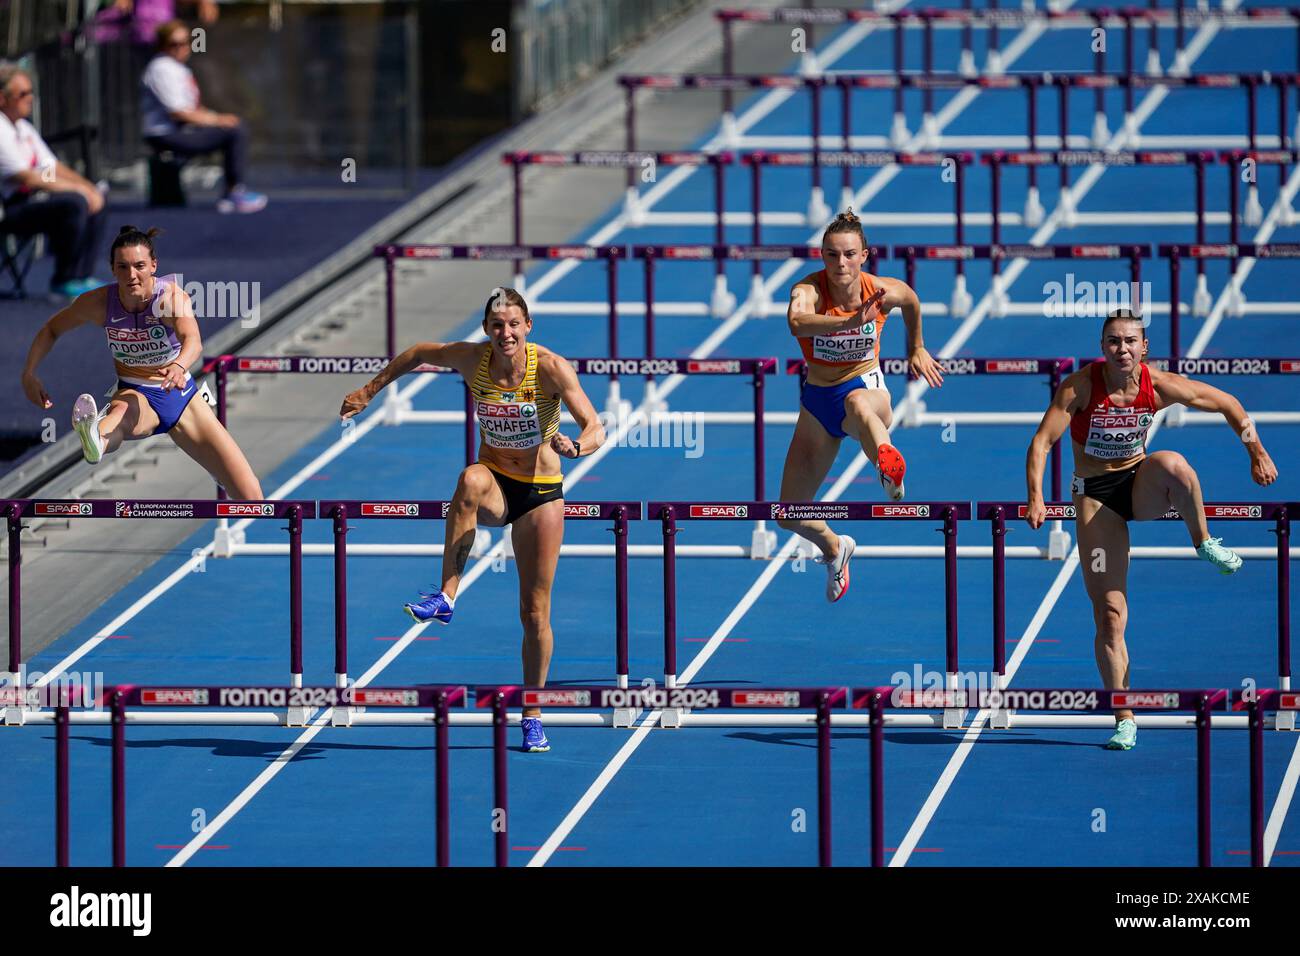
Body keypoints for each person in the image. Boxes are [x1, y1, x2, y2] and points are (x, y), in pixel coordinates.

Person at [340, 288, 606, 754]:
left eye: (514, 324)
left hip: (541, 493)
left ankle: (533, 713)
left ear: (528, 328)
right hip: (495, 480)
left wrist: (578, 446)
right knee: (468, 479)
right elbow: (418, 352)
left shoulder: (550, 367)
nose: (505, 332)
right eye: (497, 325)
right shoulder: (472, 359)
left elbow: (595, 424)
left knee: (534, 612)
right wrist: (369, 390)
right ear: (487, 329)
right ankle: (446, 595)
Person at [1026, 309, 1278, 751]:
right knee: (1109, 616)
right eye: (1112, 342)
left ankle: (1203, 542)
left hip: (1139, 483)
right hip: (1095, 498)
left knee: (1176, 465)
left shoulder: (1158, 385)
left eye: (1129, 342)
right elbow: (1042, 442)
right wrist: (1036, 498)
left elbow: (1227, 404)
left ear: (1144, 348)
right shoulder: (1080, 387)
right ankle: (1124, 716)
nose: (1121, 349)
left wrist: (1255, 450)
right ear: (1101, 348)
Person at [20, 225, 264, 500]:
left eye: (139, 266)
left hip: (181, 396)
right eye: (123, 267)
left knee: (251, 496)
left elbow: (193, 339)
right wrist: (29, 373)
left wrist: (180, 365)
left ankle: (98, 435)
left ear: (153, 266)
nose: (132, 275)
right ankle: (95, 438)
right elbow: (52, 329)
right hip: (135, 390)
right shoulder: (98, 303)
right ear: (112, 269)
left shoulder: (170, 298)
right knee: (122, 414)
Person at [776, 209, 945, 602]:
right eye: (832, 255)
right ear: (821, 255)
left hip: (866, 386)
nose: (841, 263)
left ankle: (888, 468)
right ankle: (836, 547)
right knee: (787, 513)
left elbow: (912, 299)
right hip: (817, 403)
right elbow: (797, 323)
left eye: (849, 254)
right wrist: (850, 322)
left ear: (864, 255)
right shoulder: (808, 290)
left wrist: (916, 346)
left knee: (857, 404)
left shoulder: (883, 292)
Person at [0, 62, 108, 297]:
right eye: (23, 94)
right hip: (11, 206)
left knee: (96, 194)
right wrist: (78, 191)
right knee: (75, 202)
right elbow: (27, 177)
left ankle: (82, 274)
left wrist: (87, 186)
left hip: (34, 196)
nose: (30, 98)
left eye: (31, 92)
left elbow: (50, 167)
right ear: (2, 98)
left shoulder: (23, 128)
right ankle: (64, 278)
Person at [140, 20, 266, 214]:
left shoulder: (179, 68)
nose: (182, 48)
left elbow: (193, 108)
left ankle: (232, 192)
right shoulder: (161, 68)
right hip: (165, 134)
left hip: (180, 129)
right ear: (163, 45)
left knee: (234, 125)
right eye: (175, 44)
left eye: (186, 42)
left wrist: (218, 117)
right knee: (234, 132)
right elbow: (178, 112)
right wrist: (218, 121)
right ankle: (234, 192)